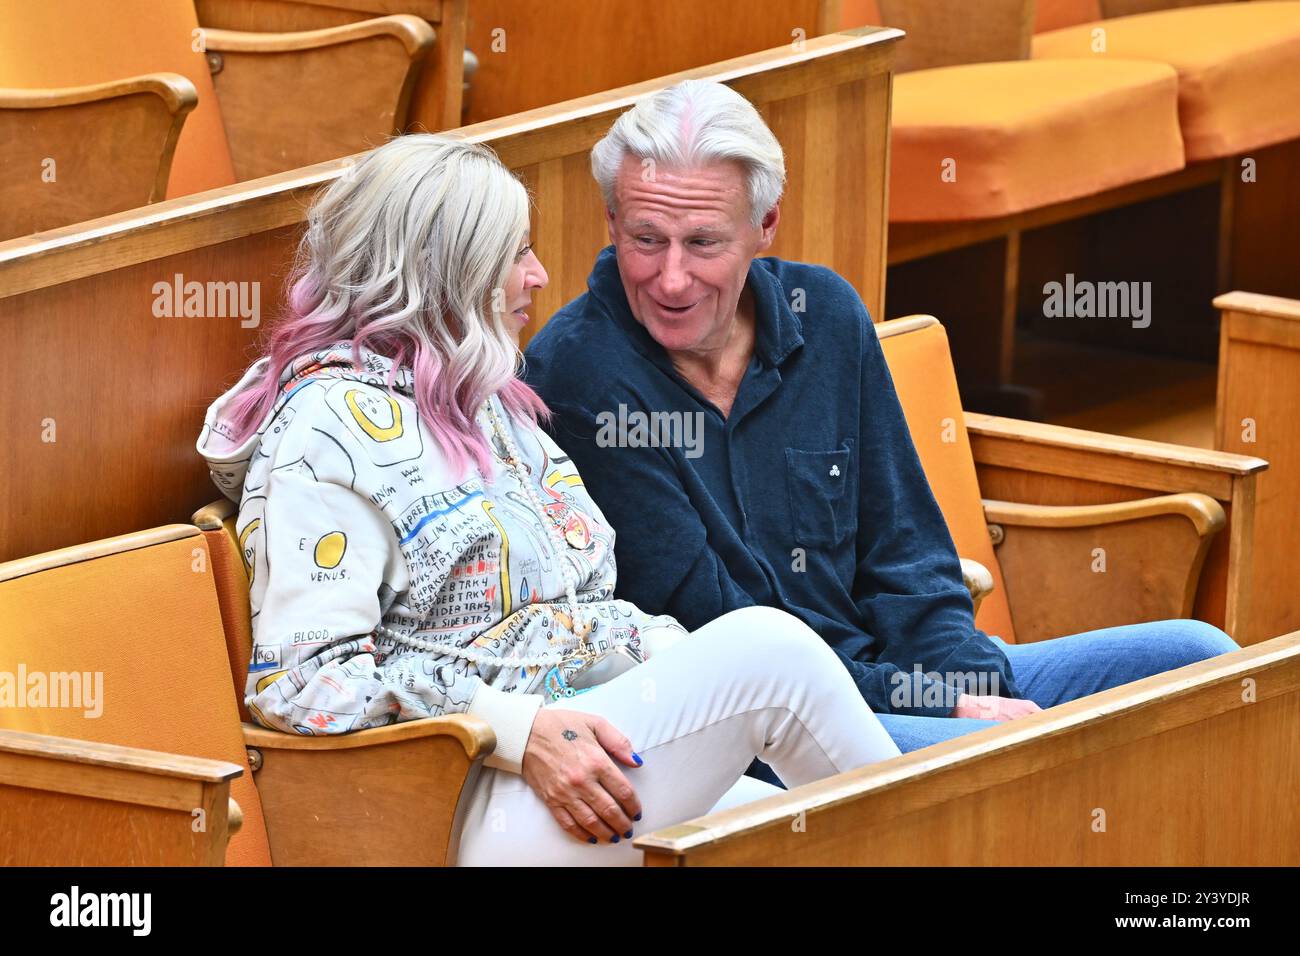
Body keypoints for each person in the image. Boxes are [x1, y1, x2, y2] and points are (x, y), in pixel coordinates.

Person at [195, 134, 901, 866]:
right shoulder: (328, 427)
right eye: (514, 255)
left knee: (793, 833)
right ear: (447, 272)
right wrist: (513, 727)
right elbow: (303, 684)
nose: (538, 275)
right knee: (772, 650)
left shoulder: (486, 402)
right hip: (452, 808)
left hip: (578, 753)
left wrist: (669, 659)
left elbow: (581, 609)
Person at [522, 79, 1240, 759]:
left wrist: (964, 684)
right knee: (997, 755)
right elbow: (720, 637)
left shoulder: (825, 313)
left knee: (1200, 660)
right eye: (646, 240)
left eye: (703, 242)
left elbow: (908, 554)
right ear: (612, 221)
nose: (670, 278)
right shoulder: (583, 375)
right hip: (758, 724)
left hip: (898, 680)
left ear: (764, 224)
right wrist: (934, 703)